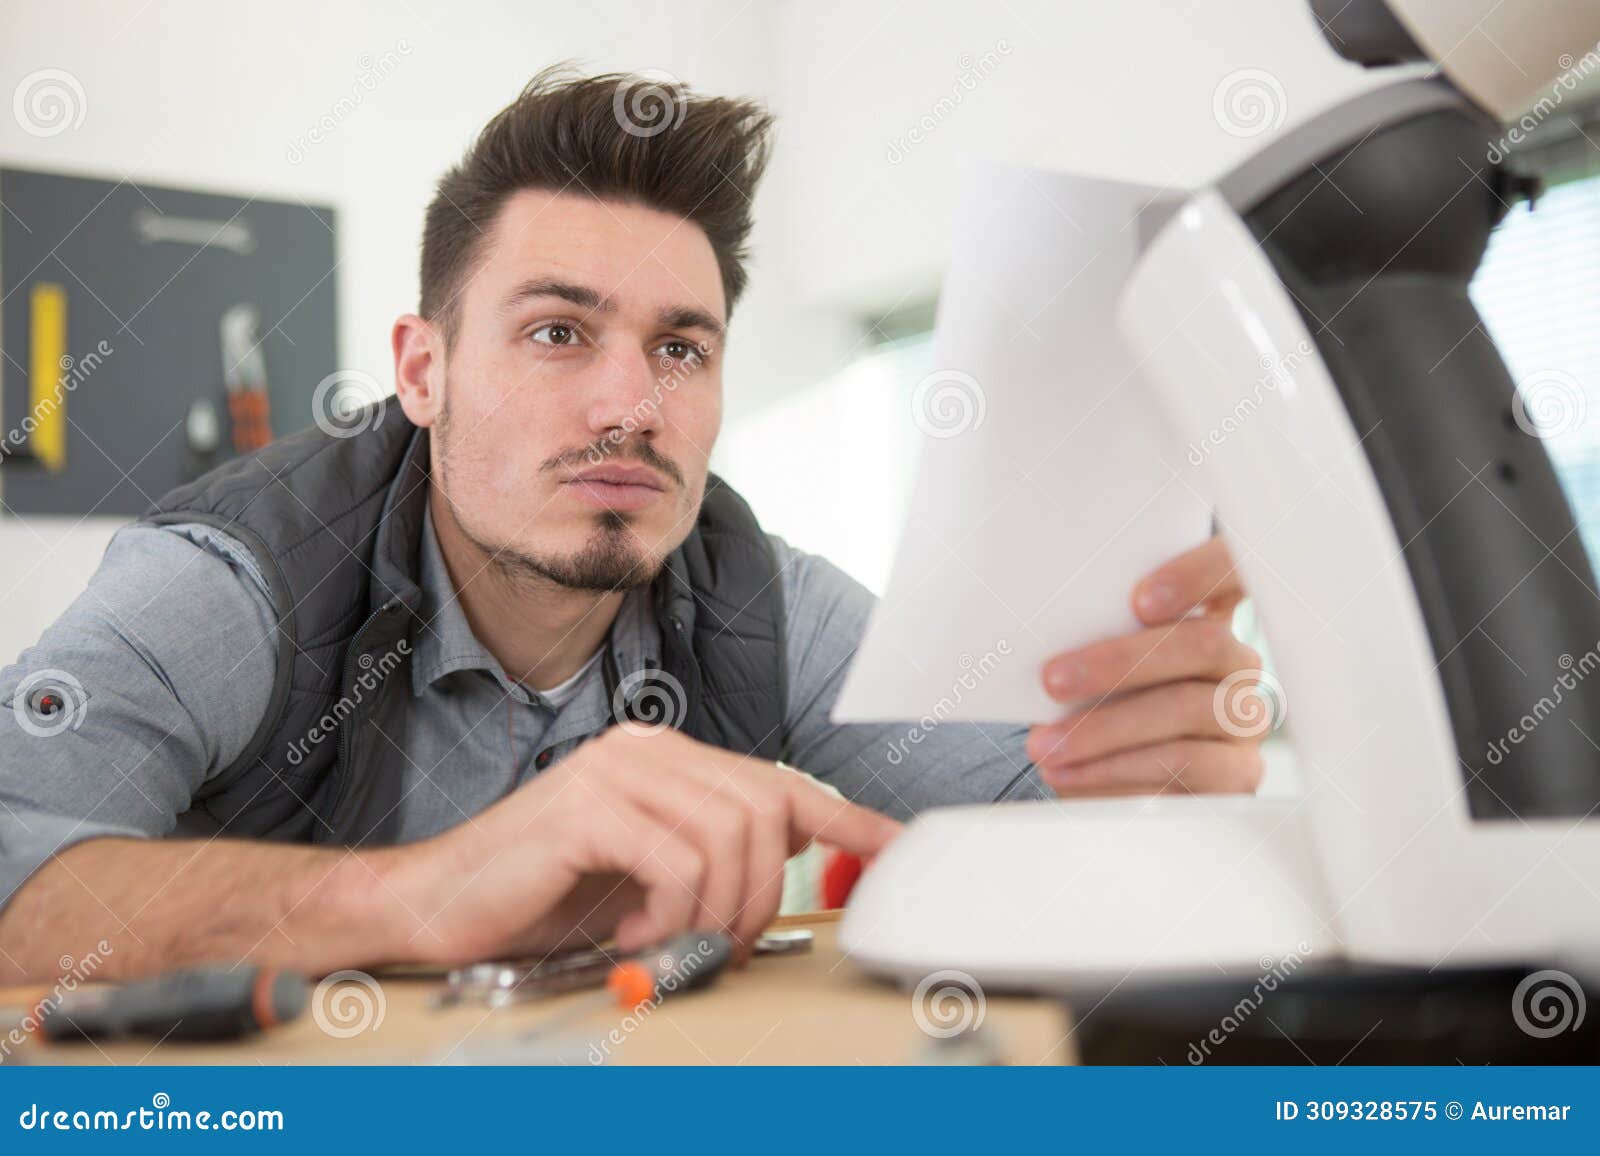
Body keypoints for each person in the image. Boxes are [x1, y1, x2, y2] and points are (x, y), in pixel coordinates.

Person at [0, 68, 1264, 982]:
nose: (631, 404)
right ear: (423, 370)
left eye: (680, 346)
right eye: (559, 331)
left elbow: (1050, 834)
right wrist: (419, 893)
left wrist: (1143, 783)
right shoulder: (241, 581)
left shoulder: (761, 598)